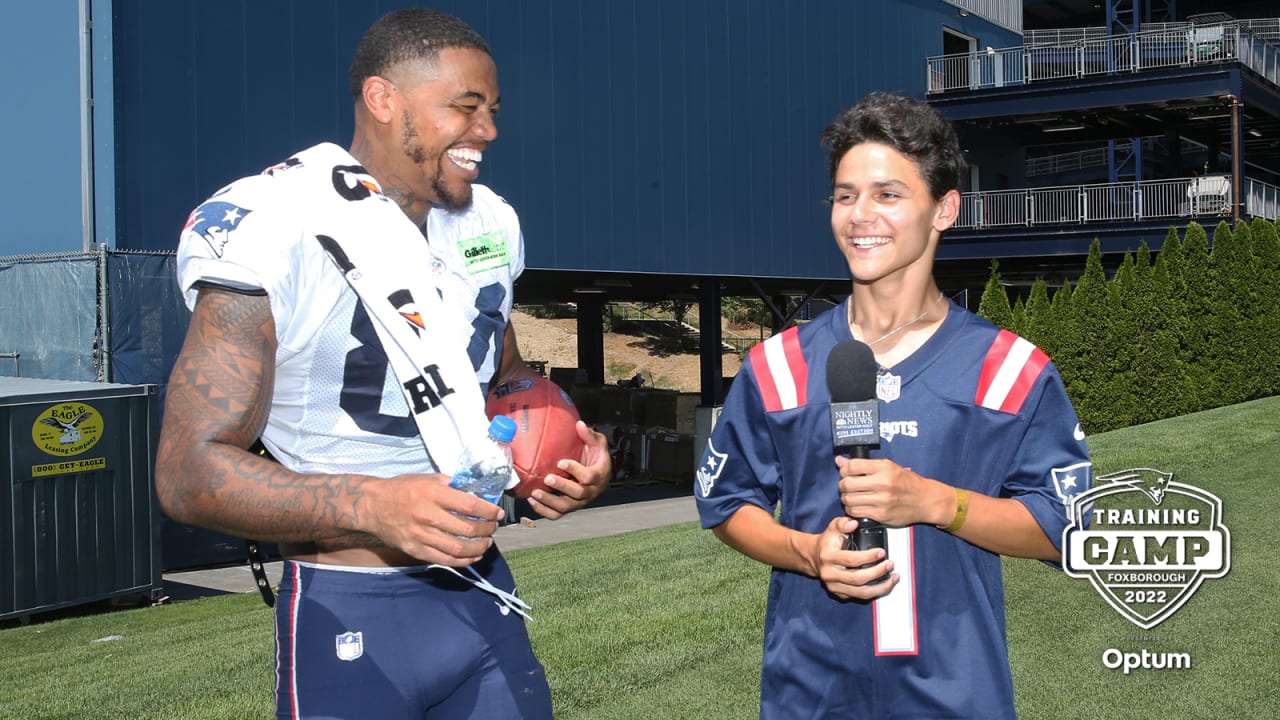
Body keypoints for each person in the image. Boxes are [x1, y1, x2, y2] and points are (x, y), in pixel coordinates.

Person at [155, 9, 610, 719]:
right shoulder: (278, 222)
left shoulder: (487, 222)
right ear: (383, 97)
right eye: (465, 107)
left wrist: (560, 443)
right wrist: (375, 504)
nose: (487, 130)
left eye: (492, 110)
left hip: (480, 594)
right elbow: (187, 472)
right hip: (350, 608)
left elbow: (501, 367)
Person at [693, 92, 1091, 719]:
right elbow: (724, 503)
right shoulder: (778, 365)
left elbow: (1066, 527)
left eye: (888, 194)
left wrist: (936, 503)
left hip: (955, 696)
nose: (860, 216)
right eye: (846, 195)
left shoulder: (1010, 370)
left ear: (943, 209)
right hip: (810, 696)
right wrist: (806, 552)